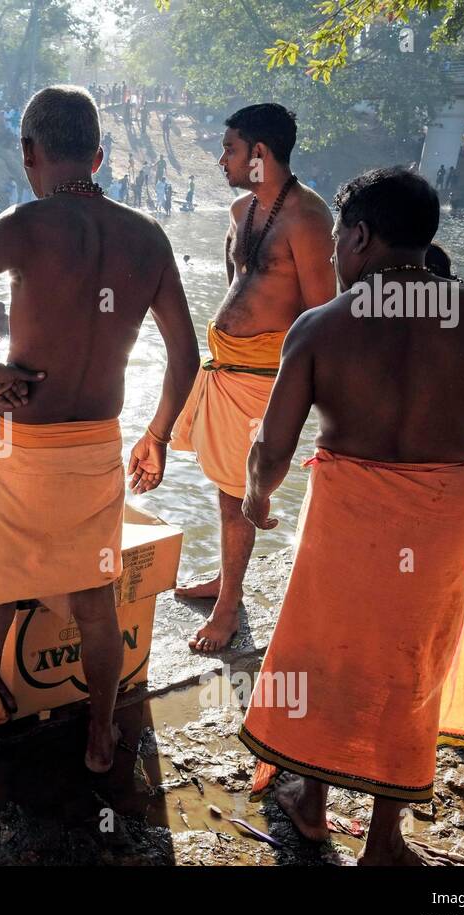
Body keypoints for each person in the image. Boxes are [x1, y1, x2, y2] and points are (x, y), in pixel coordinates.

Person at [238, 166, 464, 864]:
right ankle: (385, 838)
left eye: (339, 239)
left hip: (346, 519)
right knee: (412, 663)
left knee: (324, 649)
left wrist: (257, 497)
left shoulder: (320, 327)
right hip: (438, 518)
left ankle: (309, 800)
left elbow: (273, 446)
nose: (335, 255)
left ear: (361, 235)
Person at [0, 85, 198, 793]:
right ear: (98, 155)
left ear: (29, 152)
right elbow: (186, 358)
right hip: (99, 443)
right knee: (96, 599)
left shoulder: (28, 223)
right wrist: (155, 435)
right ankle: (100, 737)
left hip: (19, 448)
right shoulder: (147, 238)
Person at [170, 103, 335, 653]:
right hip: (226, 371)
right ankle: (227, 582)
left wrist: (305, 398)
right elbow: (237, 285)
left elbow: (321, 316)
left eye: (231, 149)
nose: (223, 160)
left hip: (265, 380)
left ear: (260, 153)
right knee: (223, 489)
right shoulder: (241, 211)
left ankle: (227, 610)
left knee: (241, 493)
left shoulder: (309, 219)